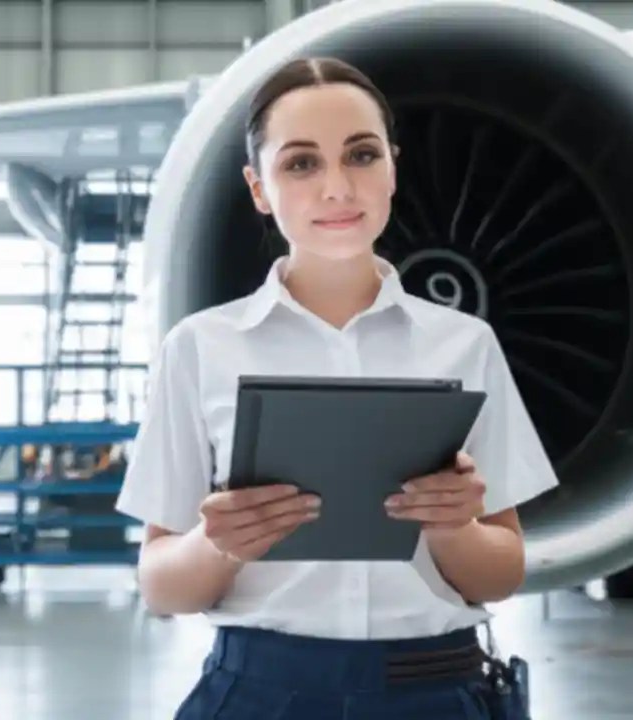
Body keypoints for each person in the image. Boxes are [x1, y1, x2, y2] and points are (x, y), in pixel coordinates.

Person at [114, 56, 559, 720]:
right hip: (260, 692)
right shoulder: (200, 350)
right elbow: (161, 585)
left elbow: (503, 571)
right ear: (258, 188)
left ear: (393, 168)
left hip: (436, 690)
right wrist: (220, 543)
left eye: (361, 155)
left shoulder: (467, 345)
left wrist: (453, 527)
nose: (337, 188)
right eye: (301, 164)